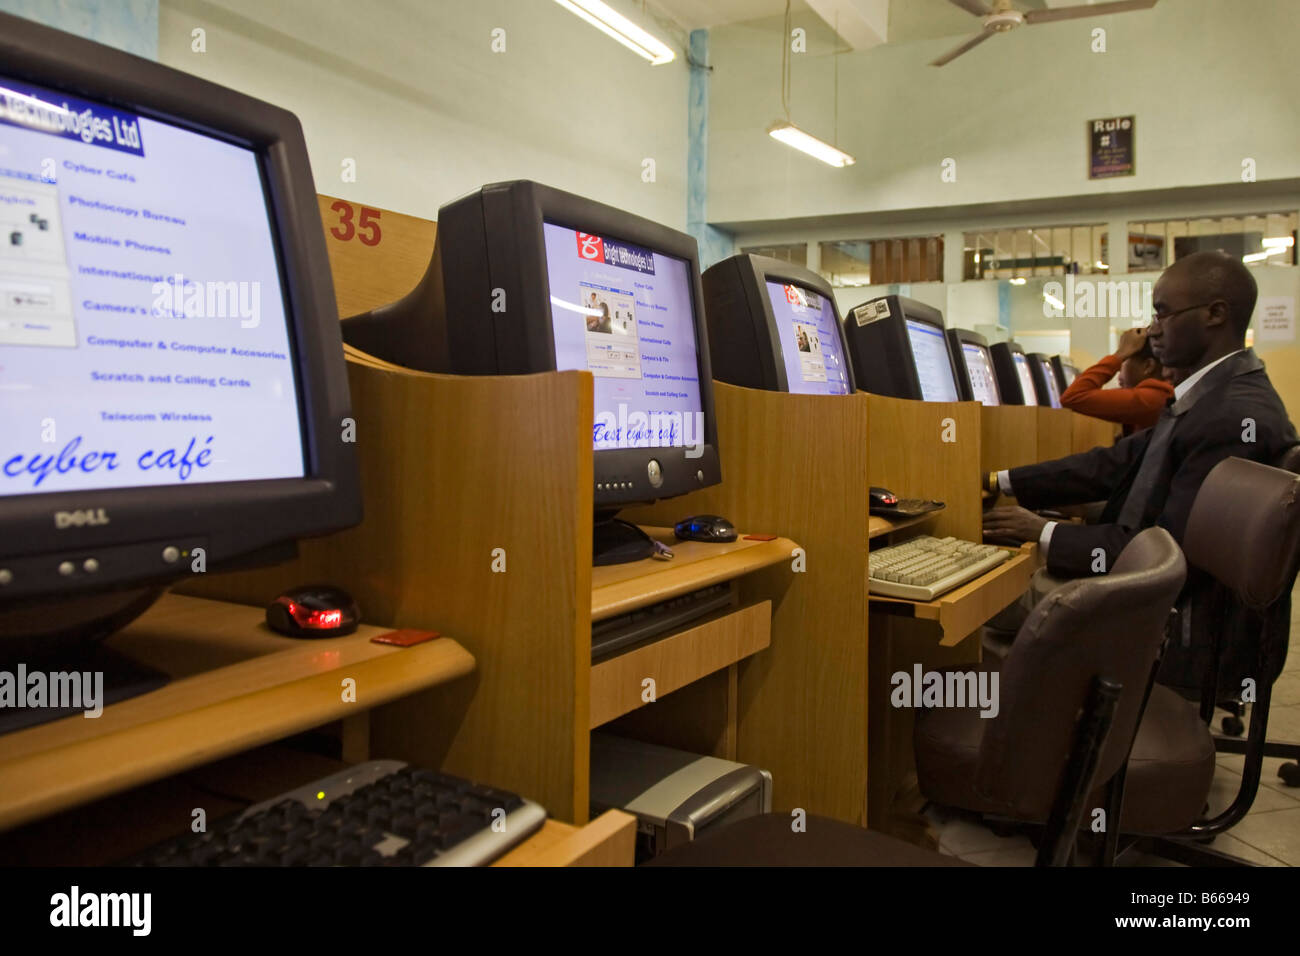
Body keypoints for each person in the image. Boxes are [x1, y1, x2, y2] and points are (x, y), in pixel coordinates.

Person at [983, 251, 1298, 692]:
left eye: (1163, 313)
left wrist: (1040, 532)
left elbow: (1166, 554)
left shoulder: (1229, 418)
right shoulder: (1214, 397)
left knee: (986, 601)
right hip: (1179, 606)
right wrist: (1000, 481)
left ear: (1215, 314)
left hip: (1184, 631)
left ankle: (1030, 748)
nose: (1152, 329)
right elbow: (1114, 463)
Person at [1059, 327, 1173, 434]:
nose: (1118, 371)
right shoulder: (1158, 394)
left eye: (1124, 360)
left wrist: (1119, 354)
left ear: (1148, 366)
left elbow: (1073, 397)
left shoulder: (1153, 397)